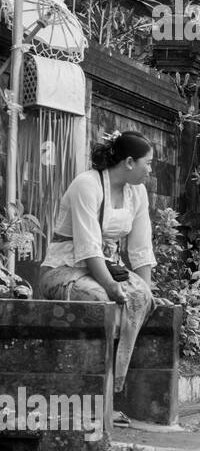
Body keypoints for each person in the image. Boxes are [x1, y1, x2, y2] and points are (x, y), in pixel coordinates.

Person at [39, 131, 158, 429]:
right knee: (102, 303)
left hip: (105, 269)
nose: (151, 169)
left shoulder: (137, 193)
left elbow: (141, 250)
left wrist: (144, 291)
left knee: (142, 299)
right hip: (65, 269)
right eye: (148, 163)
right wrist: (112, 288)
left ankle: (111, 393)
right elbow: (89, 249)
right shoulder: (87, 185)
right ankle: (92, 401)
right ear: (129, 162)